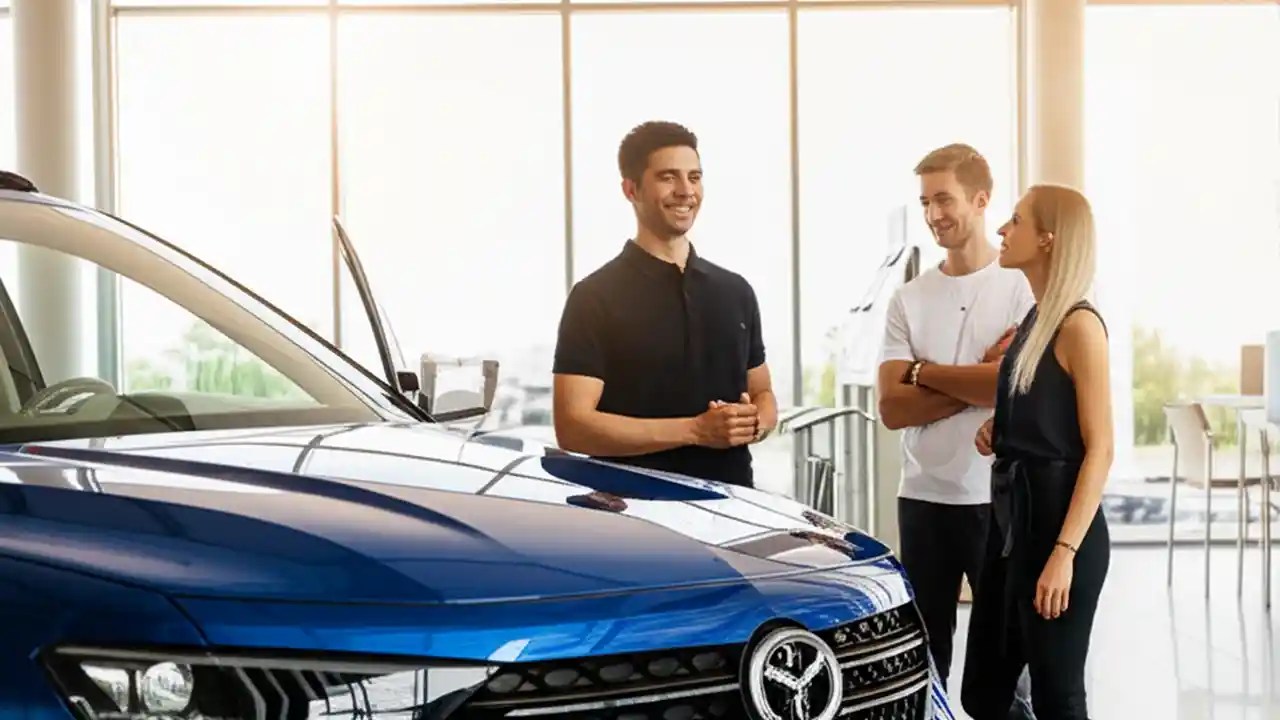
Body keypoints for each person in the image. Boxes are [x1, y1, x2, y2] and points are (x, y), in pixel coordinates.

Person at [877, 143, 1036, 715]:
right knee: (922, 665)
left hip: (996, 498)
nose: (933, 213)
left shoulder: (1020, 286)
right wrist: (982, 378)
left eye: (944, 198)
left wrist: (924, 374)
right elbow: (893, 408)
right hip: (922, 499)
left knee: (1000, 675)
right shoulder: (909, 298)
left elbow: (1018, 388)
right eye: (925, 202)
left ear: (981, 198)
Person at [551, 120, 777, 488]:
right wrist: (696, 431)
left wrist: (754, 422)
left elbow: (763, 393)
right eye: (668, 178)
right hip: (633, 517)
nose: (686, 191)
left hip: (735, 507)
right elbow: (574, 428)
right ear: (631, 189)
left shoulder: (736, 291)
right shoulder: (594, 297)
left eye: (695, 177)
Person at [961, 184, 1112, 720]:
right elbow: (1045, 417)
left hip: (1058, 532)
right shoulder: (1034, 321)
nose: (1002, 229)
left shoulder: (1079, 326)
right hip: (1011, 527)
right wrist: (999, 431)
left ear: (1048, 239)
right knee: (982, 690)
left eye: (1016, 220)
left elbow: (1100, 450)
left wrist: (1064, 555)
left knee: (1057, 694)